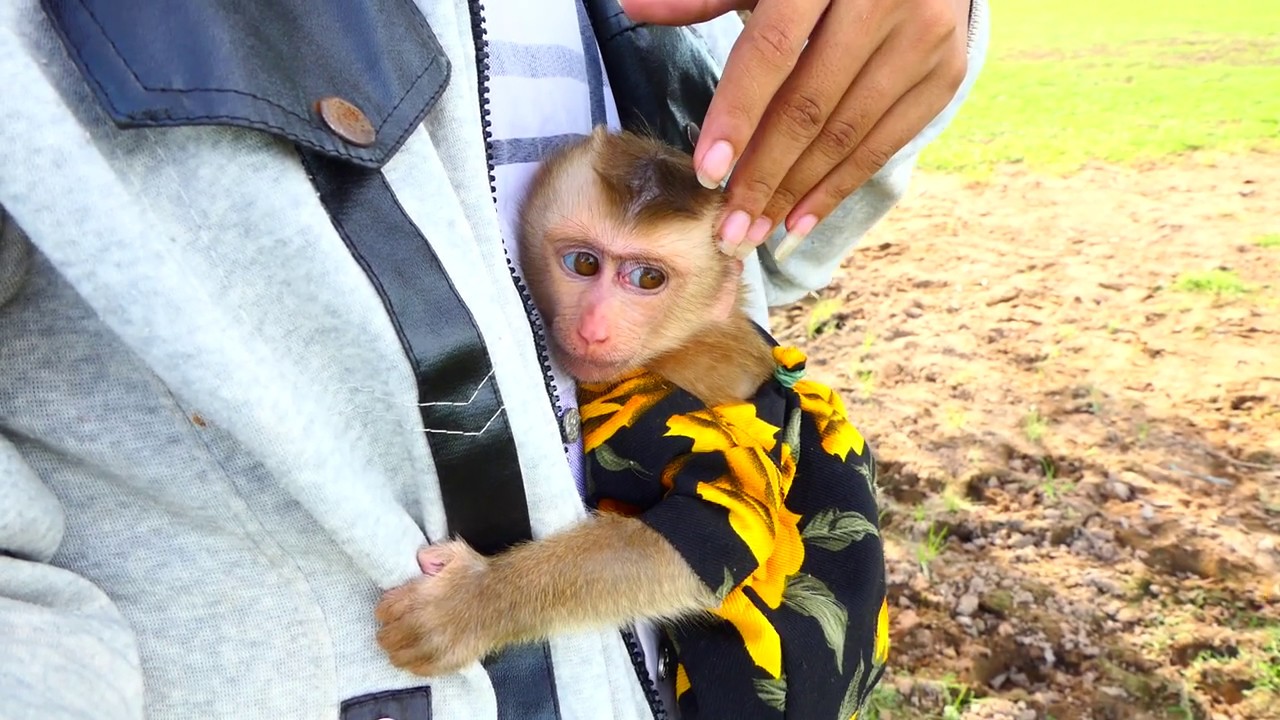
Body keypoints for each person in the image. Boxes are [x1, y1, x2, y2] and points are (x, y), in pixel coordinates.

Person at [0, 1, 989, 718]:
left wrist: (896, 36)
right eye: (578, 265)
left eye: (644, 281)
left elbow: (789, 237)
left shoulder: (709, 399)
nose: (593, 326)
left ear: (715, 292)